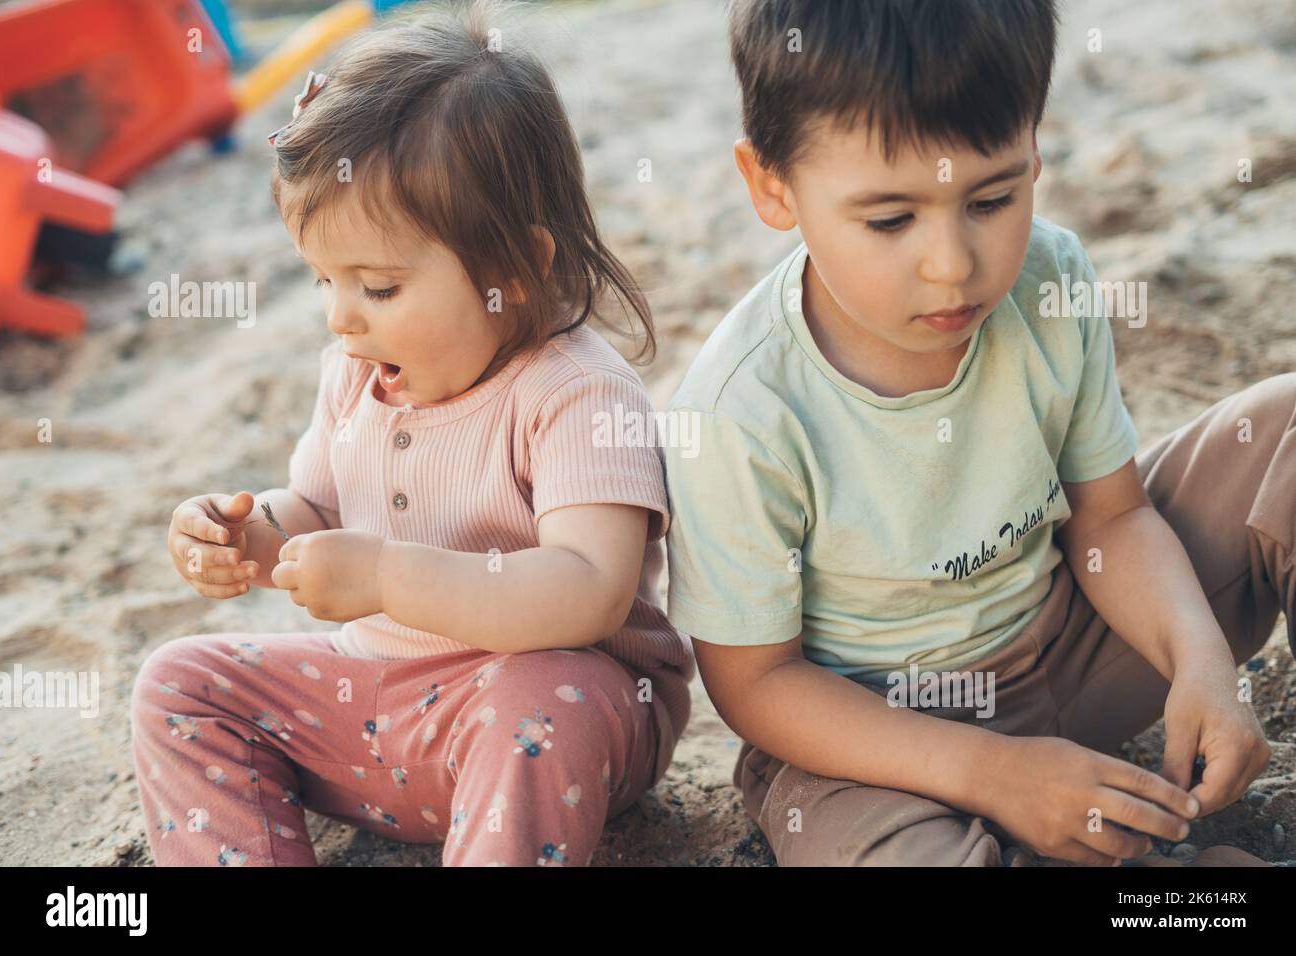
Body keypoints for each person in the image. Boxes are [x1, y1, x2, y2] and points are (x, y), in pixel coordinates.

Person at [663, 0, 1291, 867]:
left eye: (993, 198)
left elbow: (1110, 519)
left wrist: (1199, 661)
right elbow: (757, 684)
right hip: (871, 744)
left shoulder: (1050, 281)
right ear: (773, 184)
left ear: (1033, 150)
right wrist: (993, 773)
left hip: (1073, 645)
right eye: (891, 220)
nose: (953, 264)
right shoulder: (739, 410)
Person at [132, 2, 693, 867]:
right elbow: (316, 509)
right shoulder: (356, 371)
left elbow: (589, 593)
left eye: (379, 288)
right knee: (177, 683)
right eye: (324, 279)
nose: (342, 319)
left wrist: (391, 575)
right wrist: (246, 534)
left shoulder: (577, 393)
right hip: (377, 708)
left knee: (551, 695)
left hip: (543, 722)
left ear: (515, 269)